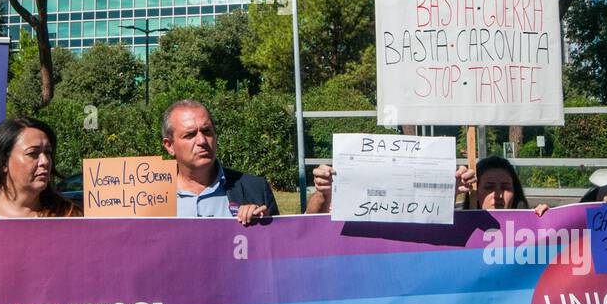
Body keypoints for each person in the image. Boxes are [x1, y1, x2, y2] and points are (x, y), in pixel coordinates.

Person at [160, 99, 329, 225]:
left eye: (207, 131)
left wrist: (261, 227)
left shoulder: (255, 189)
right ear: (169, 146)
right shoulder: (148, 196)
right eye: (190, 135)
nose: (202, 140)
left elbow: (281, 250)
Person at [313, 152, 549, 214]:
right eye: (488, 188)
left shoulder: (532, 228)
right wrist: (324, 193)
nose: (497, 195)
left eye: (505, 188)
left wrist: (547, 223)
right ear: (475, 192)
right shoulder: (456, 218)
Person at [0, 117, 79, 218]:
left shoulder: (69, 214)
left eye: (48, 152)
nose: (44, 161)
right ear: (3, 161)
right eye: (33, 153)